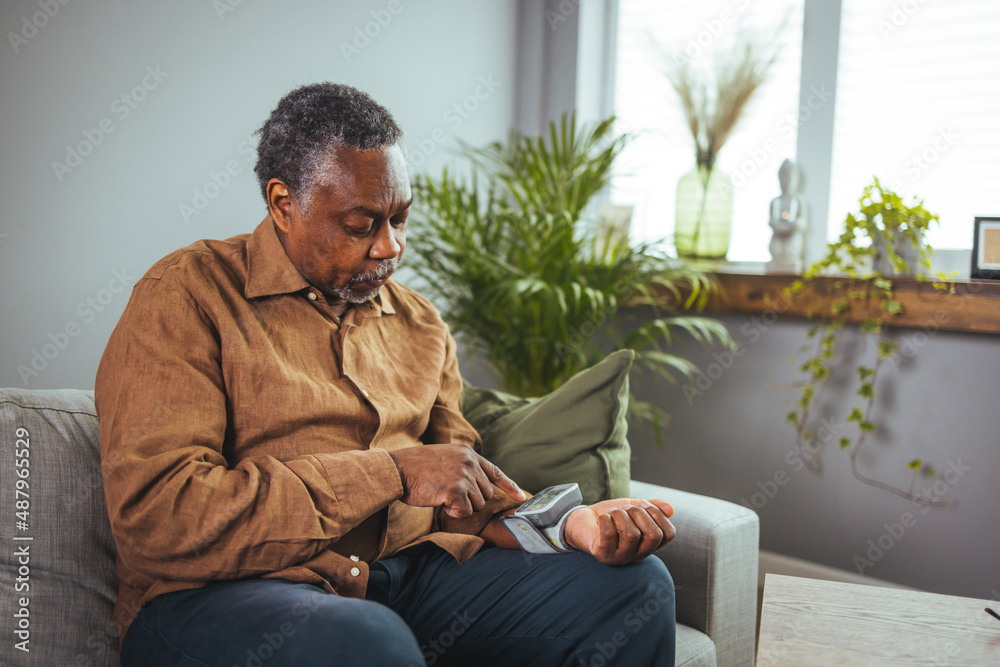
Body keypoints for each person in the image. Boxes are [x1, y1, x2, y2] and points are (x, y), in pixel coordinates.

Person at [96, 82, 677, 667]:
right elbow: (160, 519)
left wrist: (572, 524)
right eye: (361, 225)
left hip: (403, 581)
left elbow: (466, 494)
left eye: (400, 218)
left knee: (634, 589)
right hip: (224, 596)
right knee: (365, 640)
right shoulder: (188, 295)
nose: (390, 247)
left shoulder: (419, 323)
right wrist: (392, 472)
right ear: (282, 203)